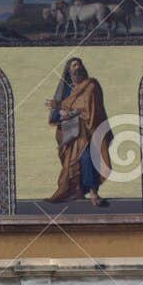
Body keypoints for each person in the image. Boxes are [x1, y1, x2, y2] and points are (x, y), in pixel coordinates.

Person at [46, 56, 112, 206]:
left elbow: (91, 108)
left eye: (79, 65)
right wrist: (61, 112)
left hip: (89, 130)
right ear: (69, 71)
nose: (77, 68)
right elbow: (56, 114)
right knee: (73, 164)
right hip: (70, 134)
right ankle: (77, 191)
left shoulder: (91, 86)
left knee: (87, 158)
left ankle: (94, 193)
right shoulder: (67, 90)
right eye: (74, 65)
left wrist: (68, 109)